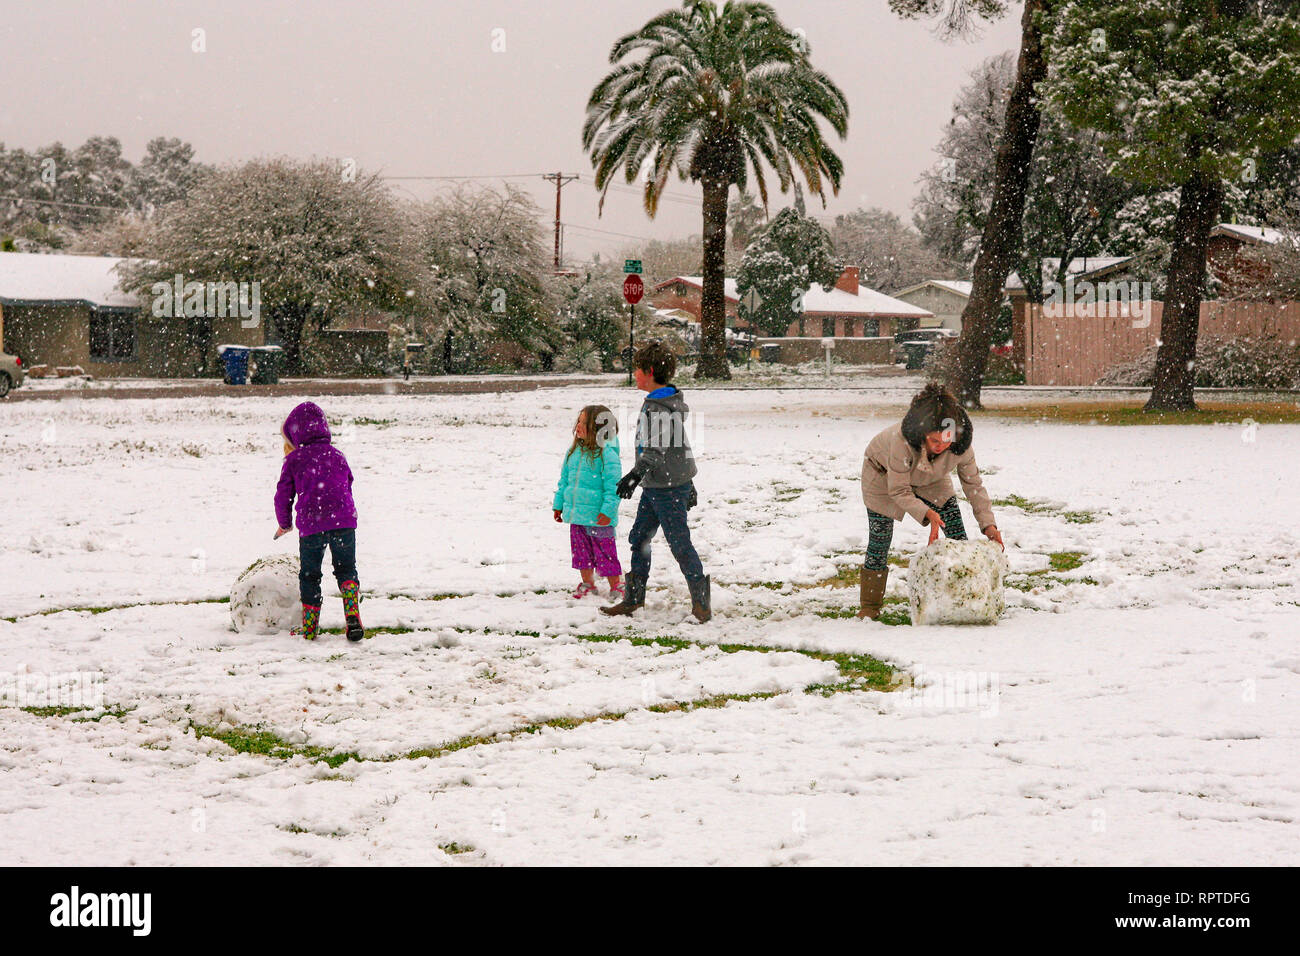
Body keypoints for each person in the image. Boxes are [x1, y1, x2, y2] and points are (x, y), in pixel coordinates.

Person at [859, 381, 1004, 620]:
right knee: (880, 539)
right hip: (883, 478)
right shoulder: (900, 443)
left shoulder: (960, 445)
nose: (941, 447)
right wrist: (926, 513)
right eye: (934, 442)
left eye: (946, 442)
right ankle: (870, 605)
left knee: (957, 535)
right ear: (922, 433)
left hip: (931, 478)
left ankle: (967, 596)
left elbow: (974, 486)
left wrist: (989, 525)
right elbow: (899, 490)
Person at [602, 341, 710, 622]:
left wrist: (633, 476)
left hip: (668, 487)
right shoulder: (660, 402)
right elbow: (680, 446)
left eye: (637, 369)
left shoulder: (660, 408)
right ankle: (634, 599)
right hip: (660, 484)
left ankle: (701, 603)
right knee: (640, 537)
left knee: (679, 542)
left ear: (649, 371)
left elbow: (657, 450)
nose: (634, 373)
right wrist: (690, 481)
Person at [273, 401, 363, 641]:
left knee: (310, 575)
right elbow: (348, 484)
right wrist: (342, 512)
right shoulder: (337, 455)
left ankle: (310, 626)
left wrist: (285, 523)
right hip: (343, 522)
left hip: (312, 525)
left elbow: (283, 495)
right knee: (346, 570)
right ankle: (352, 614)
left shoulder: (294, 460)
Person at [553, 404, 625, 600]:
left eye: (584, 423)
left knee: (606, 554)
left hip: (599, 516)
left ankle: (617, 585)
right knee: (581, 554)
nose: (578, 426)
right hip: (577, 515)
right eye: (579, 421)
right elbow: (564, 481)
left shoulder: (607, 455)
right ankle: (588, 583)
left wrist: (608, 511)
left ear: (599, 429)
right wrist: (559, 505)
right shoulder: (573, 452)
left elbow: (614, 487)